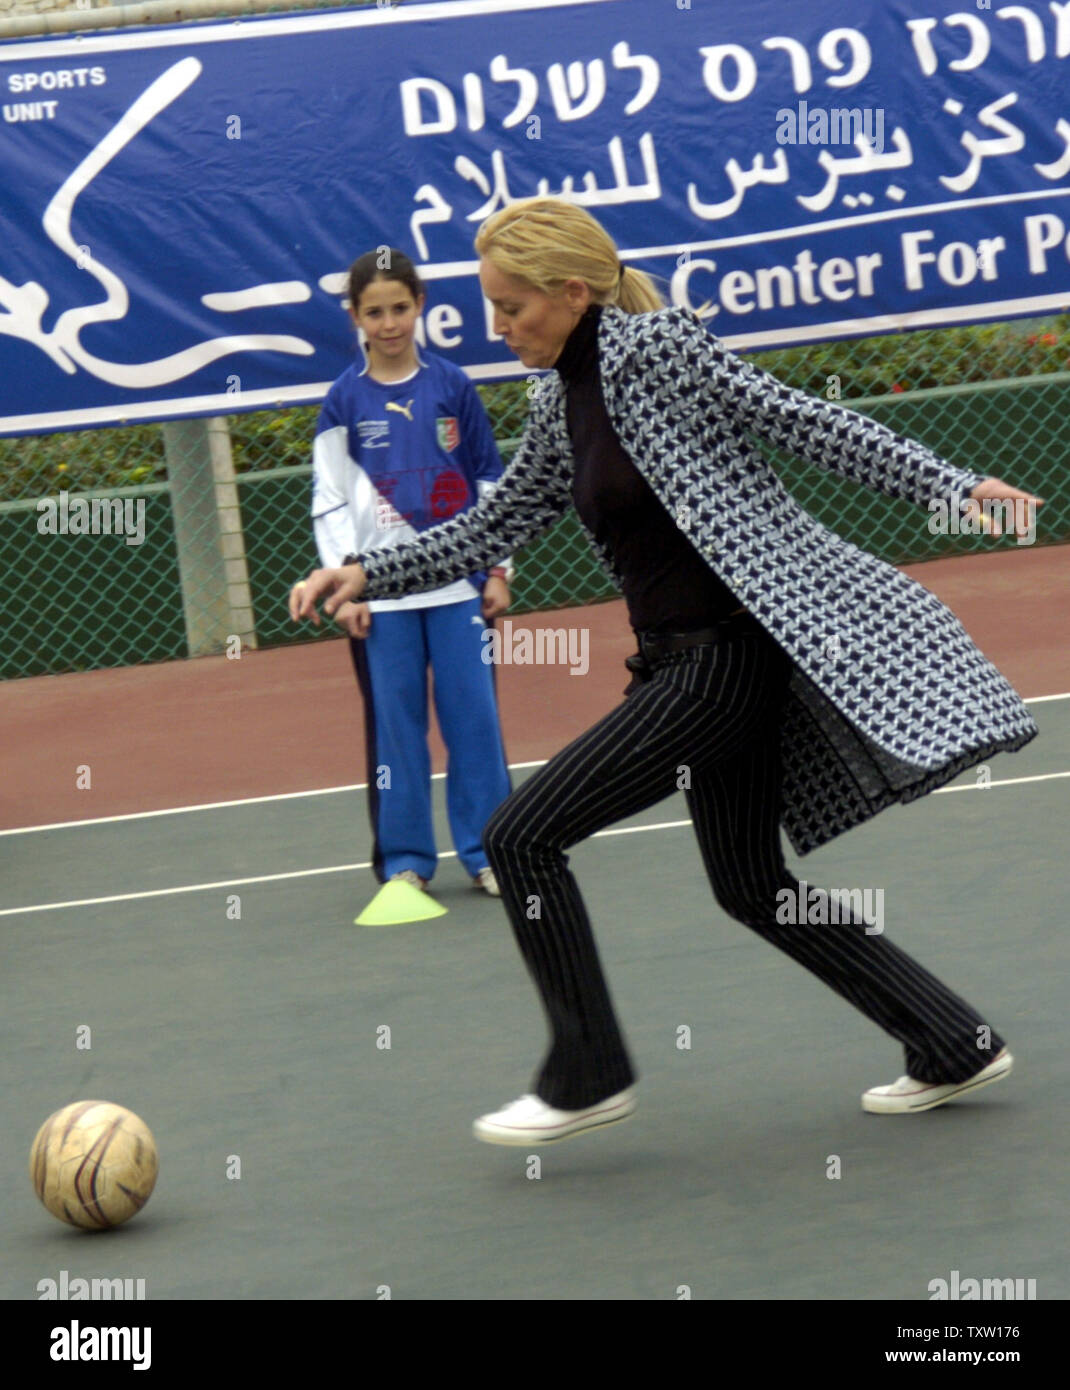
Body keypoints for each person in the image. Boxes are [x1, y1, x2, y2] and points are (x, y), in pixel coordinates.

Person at [291, 198, 1041, 1145]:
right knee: (751, 884)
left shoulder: (660, 353)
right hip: (685, 667)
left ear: (571, 293)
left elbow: (804, 422)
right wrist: (368, 569)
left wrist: (951, 485)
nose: (497, 328)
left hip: (722, 663)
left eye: (512, 307)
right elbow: (495, 525)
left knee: (520, 836)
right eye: (488, 307)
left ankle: (587, 1072)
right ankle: (952, 1040)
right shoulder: (559, 397)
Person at [293, 247, 514, 898]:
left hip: (458, 591)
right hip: (379, 604)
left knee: (474, 722)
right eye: (373, 313)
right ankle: (407, 862)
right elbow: (329, 502)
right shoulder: (342, 401)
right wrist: (343, 588)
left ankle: (489, 852)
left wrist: (497, 570)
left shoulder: (452, 386)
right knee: (398, 732)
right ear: (355, 318)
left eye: (399, 308)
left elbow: (491, 480)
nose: (388, 323)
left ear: (420, 305)